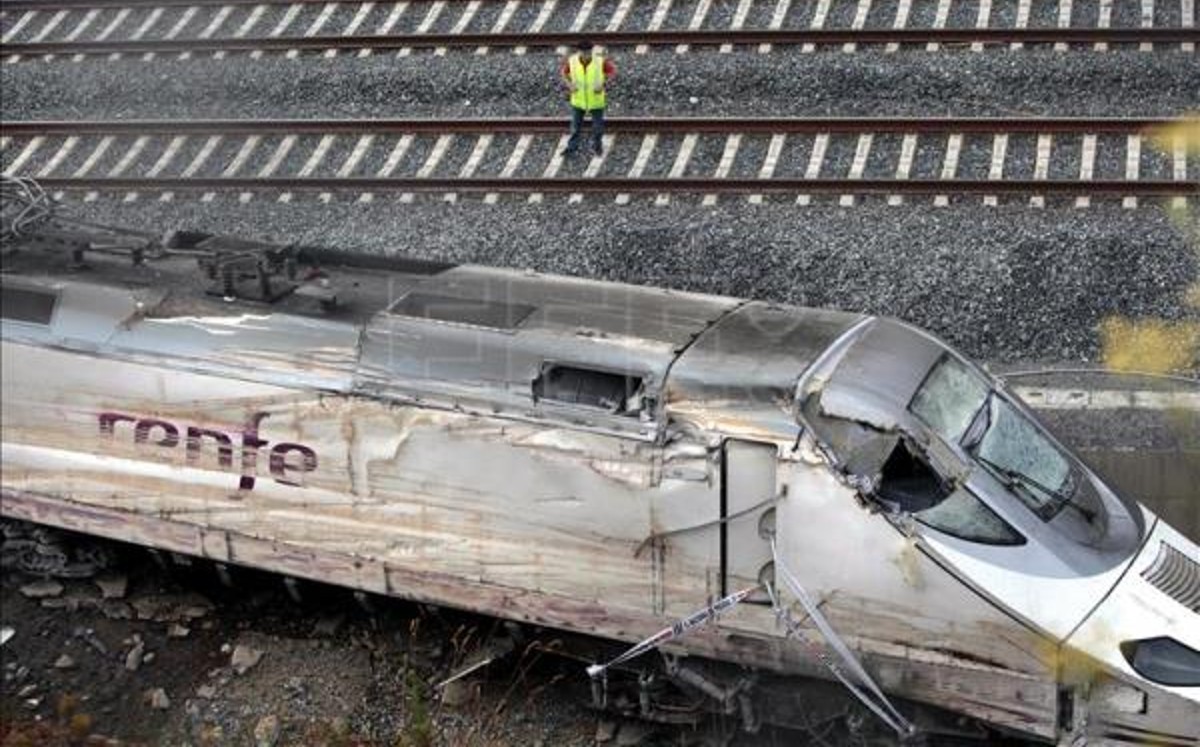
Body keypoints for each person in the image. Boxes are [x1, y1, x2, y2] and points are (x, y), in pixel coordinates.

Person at [560, 41, 615, 157]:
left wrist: (603, 84)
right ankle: (572, 147)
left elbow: (612, 72)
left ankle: (597, 147)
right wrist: (569, 85)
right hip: (578, 100)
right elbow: (564, 73)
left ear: (591, 51)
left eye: (588, 52)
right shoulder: (573, 61)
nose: (586, 54)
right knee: (575, 127)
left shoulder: (599, 61)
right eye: (583, 52)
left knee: (598, 129)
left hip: (595, 100)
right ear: (579, 51)